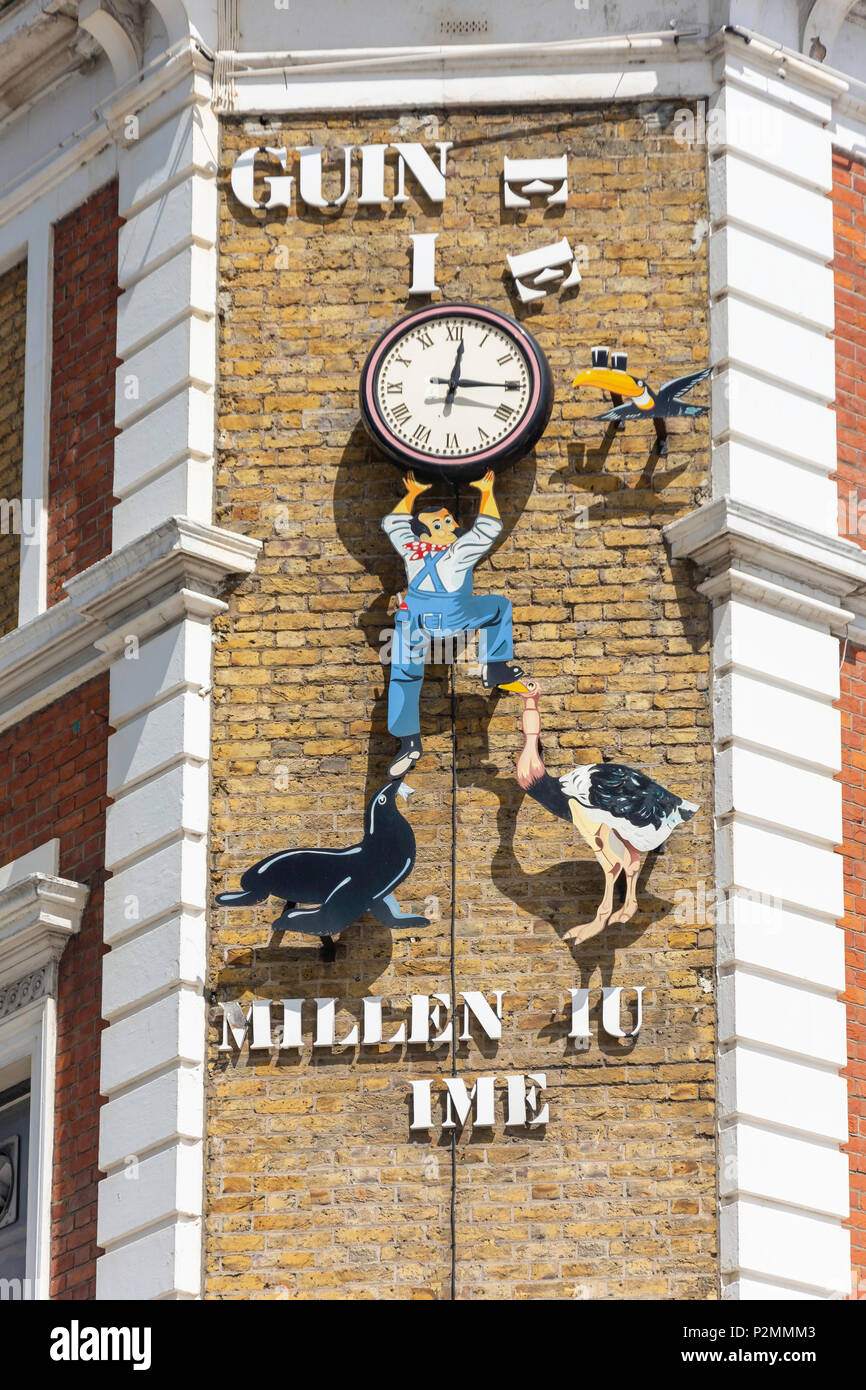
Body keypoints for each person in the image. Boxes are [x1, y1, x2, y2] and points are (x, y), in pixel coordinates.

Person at [383, 469, 525, 777]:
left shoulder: (411, 550)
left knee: (403, 678)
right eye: (441, 524)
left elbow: (393, 525)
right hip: (453, 620)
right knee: (499, 607)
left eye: (449, 520)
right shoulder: (458, 552)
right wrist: (486, 492)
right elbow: (488, 528)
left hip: (414, 625)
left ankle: (409, 743)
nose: (450, 526)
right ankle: (495, 667)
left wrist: (411, 495)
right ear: (426, 536)